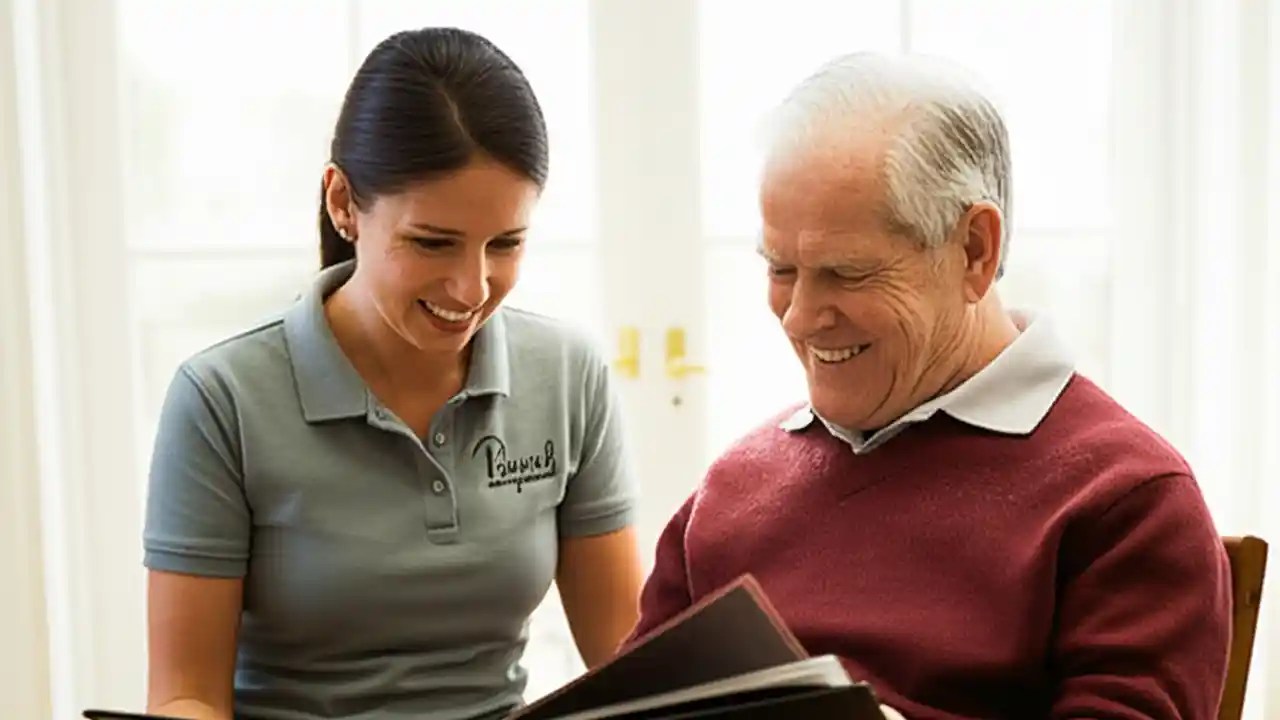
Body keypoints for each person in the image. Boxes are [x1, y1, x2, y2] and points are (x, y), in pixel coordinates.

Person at [628, 53, 1231, 720]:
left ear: (975, 249)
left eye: (846, 273)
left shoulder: (1125, 502)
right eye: (781, 269)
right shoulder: (730, 492)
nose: (799, 317)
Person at [143, 27, 643, 720]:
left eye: (506, 243)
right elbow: (184, 695)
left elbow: (627, 659)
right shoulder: (220, 401)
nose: (471, 288)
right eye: (431, 243)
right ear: (344, 203)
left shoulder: (568, 376)